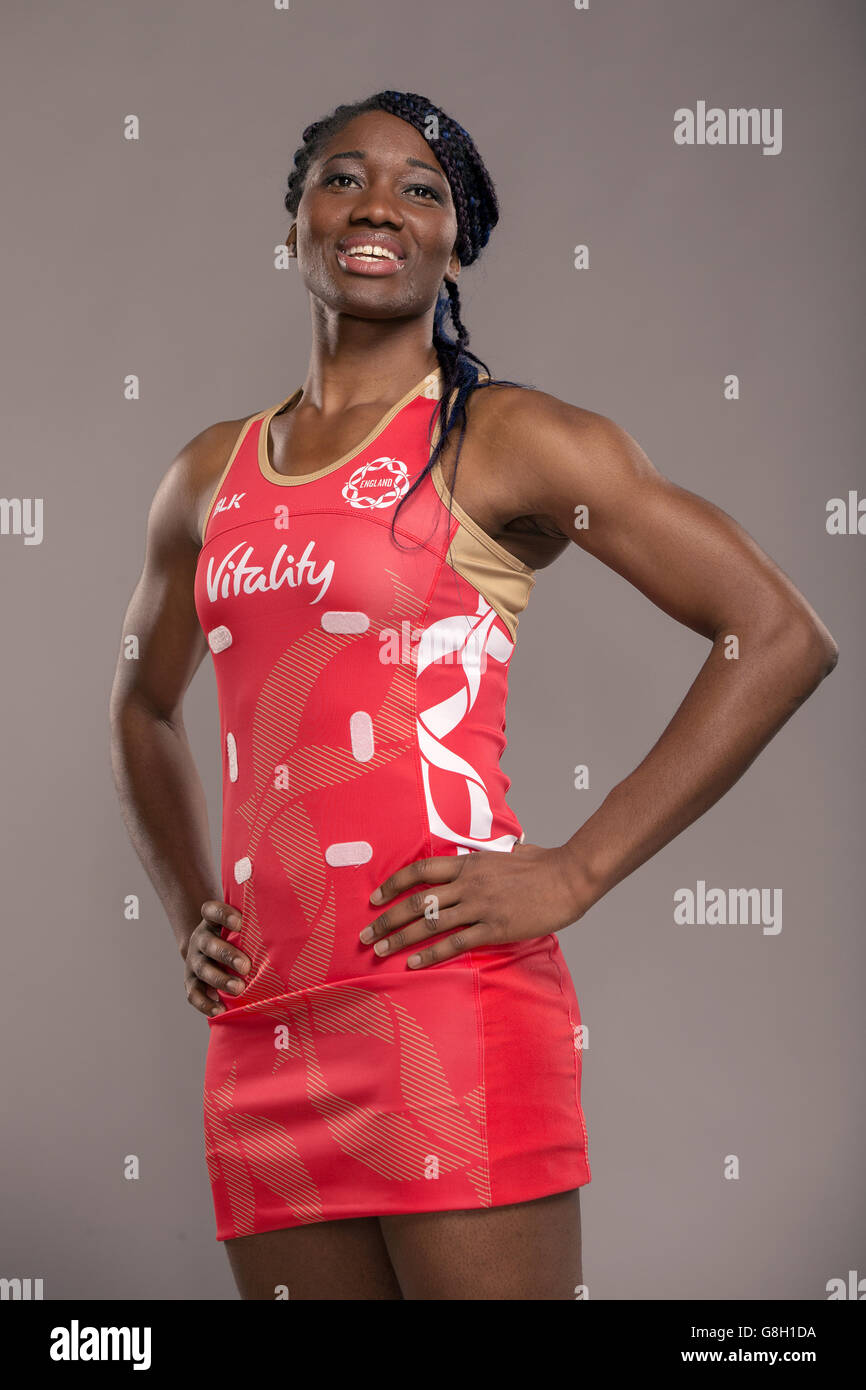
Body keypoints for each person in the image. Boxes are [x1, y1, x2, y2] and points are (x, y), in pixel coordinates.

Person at [109, 90, 838, 1301]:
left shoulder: (503, 441)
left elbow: (775, 635)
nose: (378, 204)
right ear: (296, 218)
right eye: (344, 176)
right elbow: (141, 706)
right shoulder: (206, 473)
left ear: (456, 239)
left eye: (422, 187)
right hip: (264, 1030)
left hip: (445, 1002)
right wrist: (191, 901)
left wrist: (574, 869)